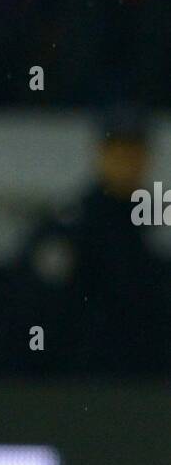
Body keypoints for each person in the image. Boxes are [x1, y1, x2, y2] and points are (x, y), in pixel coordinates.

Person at [19, 106, 169, 374]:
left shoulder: (159, 219)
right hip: (84, 379)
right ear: (100, 153)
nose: (126, 160)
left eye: (134, 150)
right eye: (117, 150)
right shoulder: (72, 222)